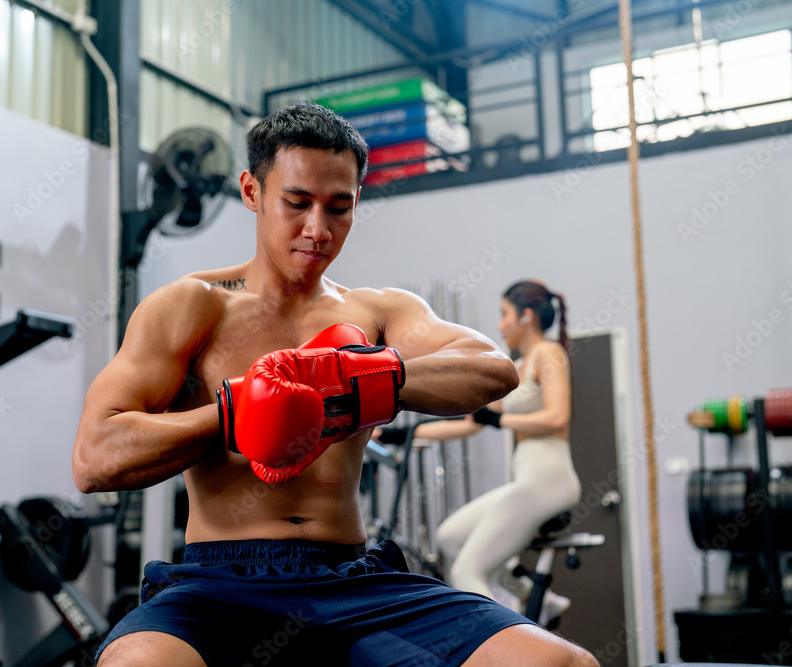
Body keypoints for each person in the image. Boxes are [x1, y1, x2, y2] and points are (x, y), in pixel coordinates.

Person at [73, 103, 598, 667]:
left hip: (354, 584)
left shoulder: (377, 310)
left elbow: (492, 368)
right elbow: (94, 457)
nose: (317, 230)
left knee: (561, 663)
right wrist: (237, 410)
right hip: (220, 586)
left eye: (339, 207)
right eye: (296, 203)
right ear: (252, 191)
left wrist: (355, 380)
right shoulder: (191, 305)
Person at [377, 281, 582, 626]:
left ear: (526, 317)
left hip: (550, 481)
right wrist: (402, 433)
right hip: (528, 481)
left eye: (504, 315)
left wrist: (500, 419)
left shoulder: (549, 354)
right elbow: (471, 423)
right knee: (449, 537)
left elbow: (558, 417)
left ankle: (510, 653)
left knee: (467, 572)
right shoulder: (516, 368)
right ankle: (537, 598)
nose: (500, 325)